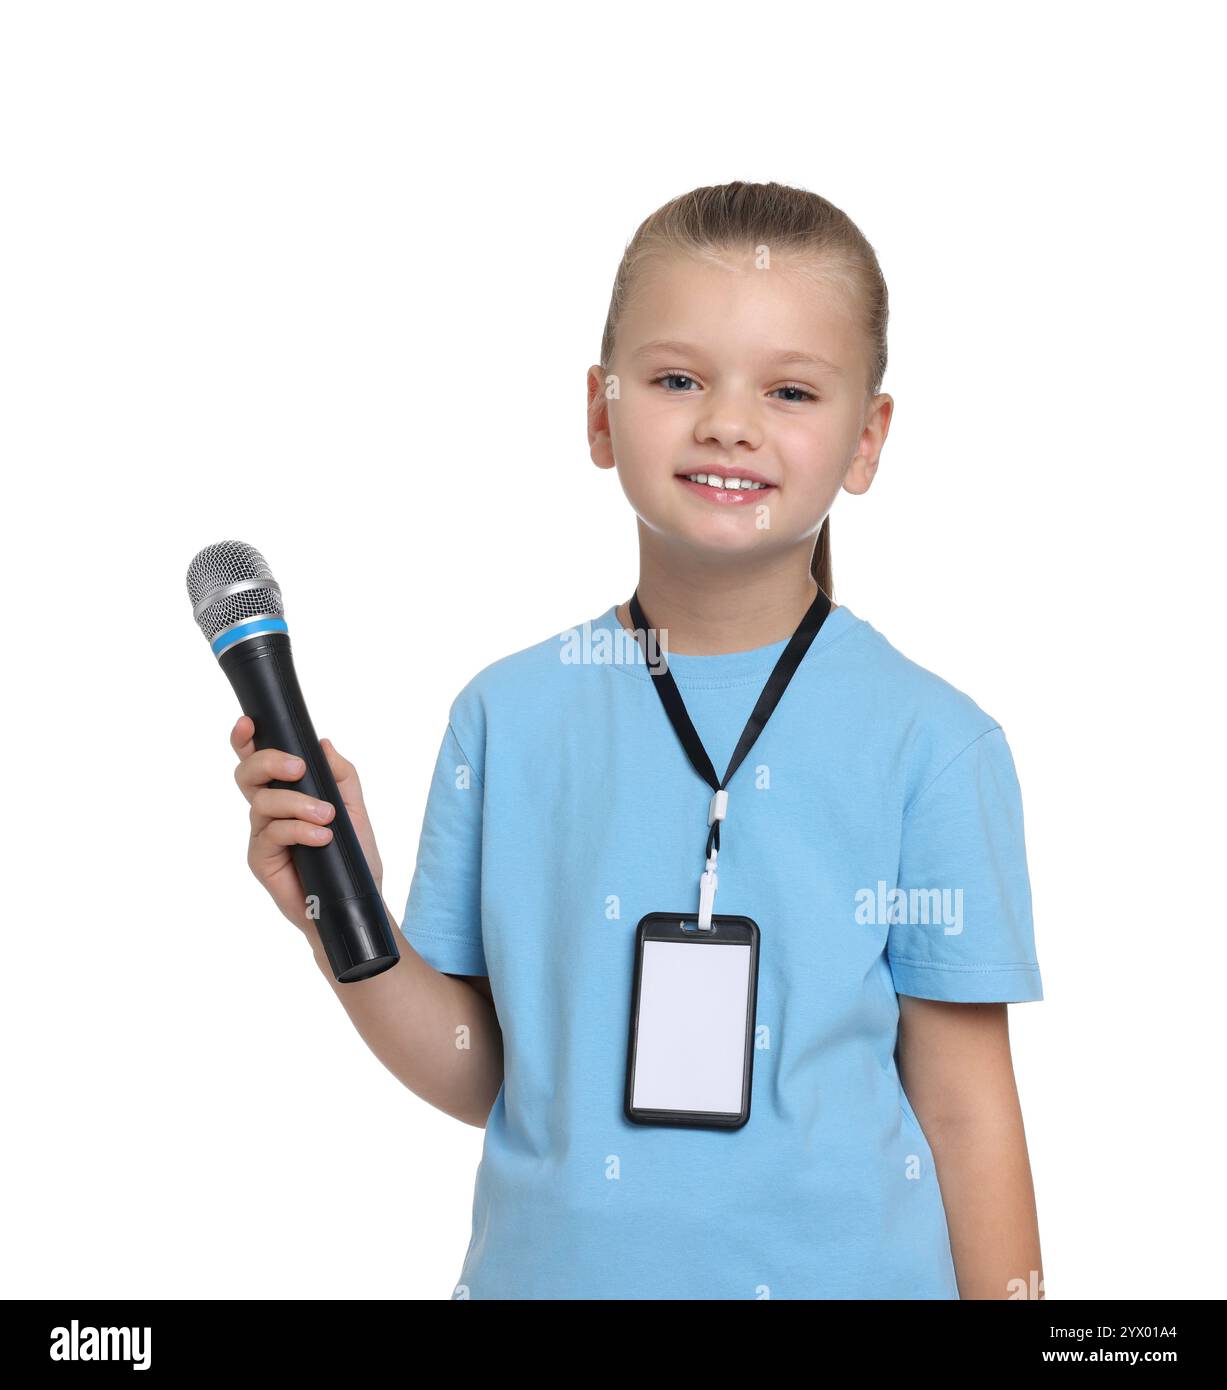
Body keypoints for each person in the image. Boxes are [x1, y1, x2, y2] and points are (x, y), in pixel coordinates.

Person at [228, 180, 1044, 1300]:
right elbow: (487, 1074)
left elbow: (967, 1110)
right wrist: (339, 908)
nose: (728, 422)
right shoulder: (507, 716)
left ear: (868, 439)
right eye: (676, 379)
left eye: (791, 389)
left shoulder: (934, 743)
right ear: (602, 414)